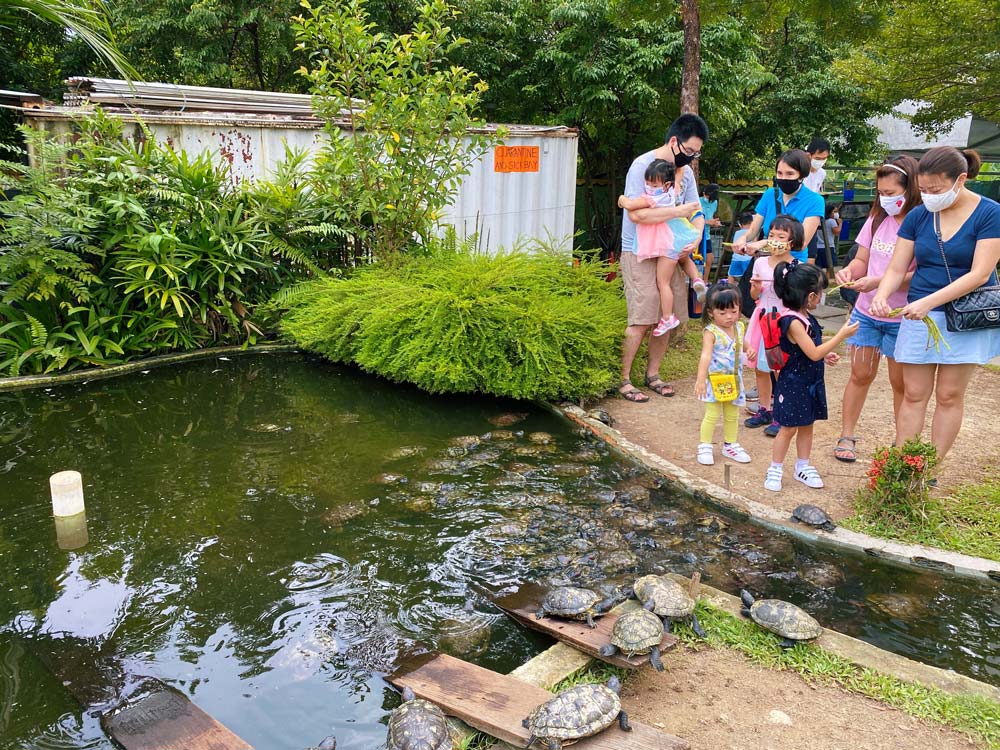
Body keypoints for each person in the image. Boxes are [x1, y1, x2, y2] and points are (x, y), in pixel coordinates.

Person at [869, 147, 1000, 459]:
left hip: (965, 316)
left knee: (949, 394)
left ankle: (929, 469)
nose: (928, 196)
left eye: (936, 189)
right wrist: (881, 295)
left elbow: (980, 274)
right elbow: (898, 268)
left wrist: (929, 302)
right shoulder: (918, 215)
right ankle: (902, 466)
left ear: (961, 180)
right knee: (913, 393)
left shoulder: (990, 213)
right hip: (919, 315)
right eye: (923, 190)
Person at [833, 155, 921, 462]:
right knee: (860, 374)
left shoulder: (922, 223)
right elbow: (861, 259)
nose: (884, 199)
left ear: (911, 189)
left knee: (902, 384)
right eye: (880, 193)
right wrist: (851, 273)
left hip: (902, 317)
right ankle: (846, 435)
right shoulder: (877, 218)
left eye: (891, 193)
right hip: (866, 313)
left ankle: (902, 445)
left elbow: (920, 275)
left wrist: (879, 282)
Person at [618, 113, 708, 403]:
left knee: (665, 317)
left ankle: (653, 374)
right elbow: (638, 214)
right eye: (689, 151)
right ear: (674, 141)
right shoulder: (642, 166)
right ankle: (624, 379)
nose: (692, 157)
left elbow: (696, 211)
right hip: (640, 250)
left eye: (697, 153)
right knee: (642, 317)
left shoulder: (686, 173)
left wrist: (694, 235)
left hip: (671, 249)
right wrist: (677, 213)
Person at [764, 263, 859, 492]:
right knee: (787, 428)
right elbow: (814, 352)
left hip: (809, 382)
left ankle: (802, 466)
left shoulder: (805, 317)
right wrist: (841, 335)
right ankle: (775, 468)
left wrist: (826, 355)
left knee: (807, 424)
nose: (821, 298)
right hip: (794, 383)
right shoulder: (793, 321)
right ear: (811, 296)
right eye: (820, 293)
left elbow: (812, 350)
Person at [618, 159, 707, 336]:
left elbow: (631, 206)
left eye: (653, 183)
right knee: (683, 257)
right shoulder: (671, 193)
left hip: (665, 241)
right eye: (647, 182)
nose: (649, 186)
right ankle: (697, 279)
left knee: (662, 282)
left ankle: (667, 317)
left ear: (666, 184)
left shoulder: (653, 198)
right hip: (679, 233)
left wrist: (621, 200)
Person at [742, 215, 803, 436]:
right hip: (761, 319)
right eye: (771, 235)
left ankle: (780, 412)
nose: (774, 240)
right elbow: (753, 295)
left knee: (779, 368)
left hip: (782, 321)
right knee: (760, 367)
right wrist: (756, 287)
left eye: (781, 236)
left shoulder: (797, 266)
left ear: (792, 242)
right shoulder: (759, 262)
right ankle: (764, 408)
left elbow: (798, 299)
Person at [731, 149, 824, 263]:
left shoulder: (815, 201)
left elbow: (801, 243)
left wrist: (765, 242)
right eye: (780, 173)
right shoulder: (770, 195)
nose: (783, 178)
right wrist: (743, 239)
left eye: (790, 174)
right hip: (766, 262)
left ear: (802, 175)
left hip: (792, 265)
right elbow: (753, 230)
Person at [695, 281, 752, 466]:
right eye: (723, 313)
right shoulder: (711, 332)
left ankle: (731, 445)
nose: (729, 317)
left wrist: (749, 349)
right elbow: (705, 355)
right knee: (712, 414)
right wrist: (701, 380)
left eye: (734, 312)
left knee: (732, 414)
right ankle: (705, 446)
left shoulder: (739, 327)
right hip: (714, 380)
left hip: (734, 380)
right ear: (711, 312)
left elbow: (744, 343)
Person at [727, 212, 755, 286]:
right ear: (753, 223)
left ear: (740, 224)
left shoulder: (737, 233)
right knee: (750, 278)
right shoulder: (753, 233)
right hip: (748, 260)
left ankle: (730, 290)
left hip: (735, 259)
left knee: (731, 275)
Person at [700, 183, 721, 275]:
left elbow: (711, 218)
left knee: (709, 259)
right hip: (696, 234)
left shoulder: (714, 203)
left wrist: (715, 223)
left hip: (706, 235)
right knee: (696, 259)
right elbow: (691, 219)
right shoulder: (698, 202)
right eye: (706, 195)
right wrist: (708, 222)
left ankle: (704, 283)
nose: (707, 198)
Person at [814, 203, 842, 271]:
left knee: (819, 268)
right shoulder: (831, 221)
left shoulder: (819, 221)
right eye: (834, 211)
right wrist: (840, 223)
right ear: (829, 212)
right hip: (828, 247)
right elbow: (836, 232)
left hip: (817, 247)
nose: (836, 213)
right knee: (831, 268)